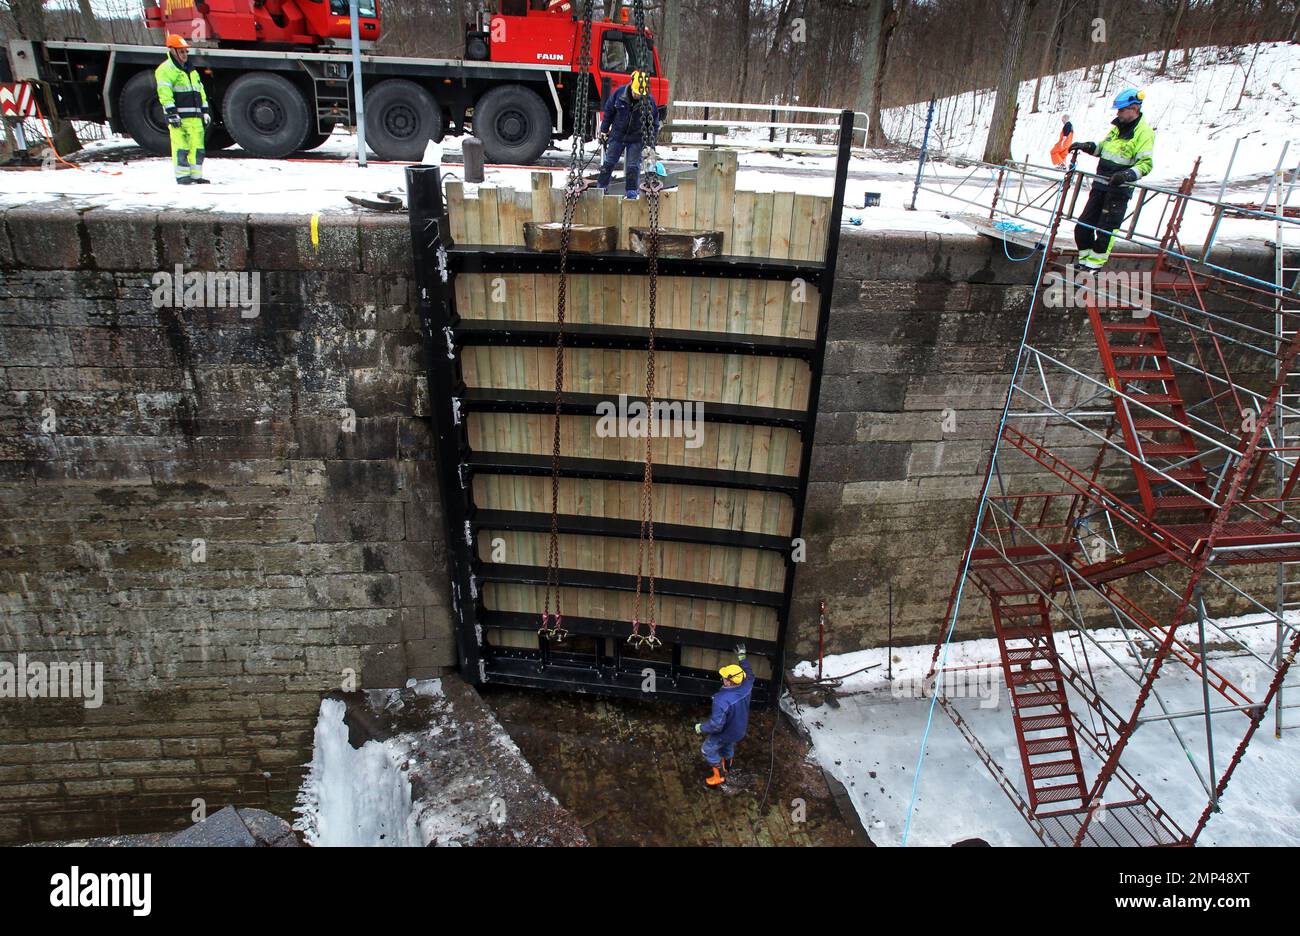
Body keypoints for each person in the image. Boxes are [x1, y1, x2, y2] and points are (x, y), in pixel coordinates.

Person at [1068, 89, 1154, 269]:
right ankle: (1084, 262)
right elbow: (1103, 148)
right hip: (1100, 185)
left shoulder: (1143, 133)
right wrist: (1087, 146)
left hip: (1118, 190)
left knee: (1106, 230)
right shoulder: (1116, 129)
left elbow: (1145, 164)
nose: (1118, 113)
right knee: (1083, 226)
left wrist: (1126, 175)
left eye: (1121, 110)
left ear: (1133, 108)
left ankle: (1094, 266)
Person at [693, 648, 754, 788]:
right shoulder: (747, 685)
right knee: (728, 746)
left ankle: (719, 776)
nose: (723, 678)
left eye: (725, 677)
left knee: (707, 750)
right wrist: (742, 657)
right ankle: (727, 765)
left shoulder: (721, 700)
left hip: (725, 732)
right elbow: (750, 673)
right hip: (739, 730)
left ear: (730, 682)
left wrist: (700, 727)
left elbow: (716, 726)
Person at [156, 34, 211, 185]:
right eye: (182, 51)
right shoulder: (165, 70)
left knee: (197, 147)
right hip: (179, 117)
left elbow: (200, 92)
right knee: (181, 147)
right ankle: (182, 177)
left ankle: (196, 176)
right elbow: (165, 94)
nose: (185, 54)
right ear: (172, 51)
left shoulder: (191, 71)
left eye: (186, 51)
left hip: (195, 117)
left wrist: (204, 111)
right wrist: (172, 113)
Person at [596, 70, 658, 200]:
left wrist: (651, 143)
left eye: (640, 94)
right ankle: (601, 186)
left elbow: (653, 124)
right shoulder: (619, 94)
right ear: (631, 85)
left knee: (633, 166)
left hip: (636, 138)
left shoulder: (649, 102)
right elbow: (609, 112)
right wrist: (604, 129)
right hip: (618, 135)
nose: (637, 96)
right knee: (609, 162)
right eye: (636, 93)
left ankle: (631, 192)